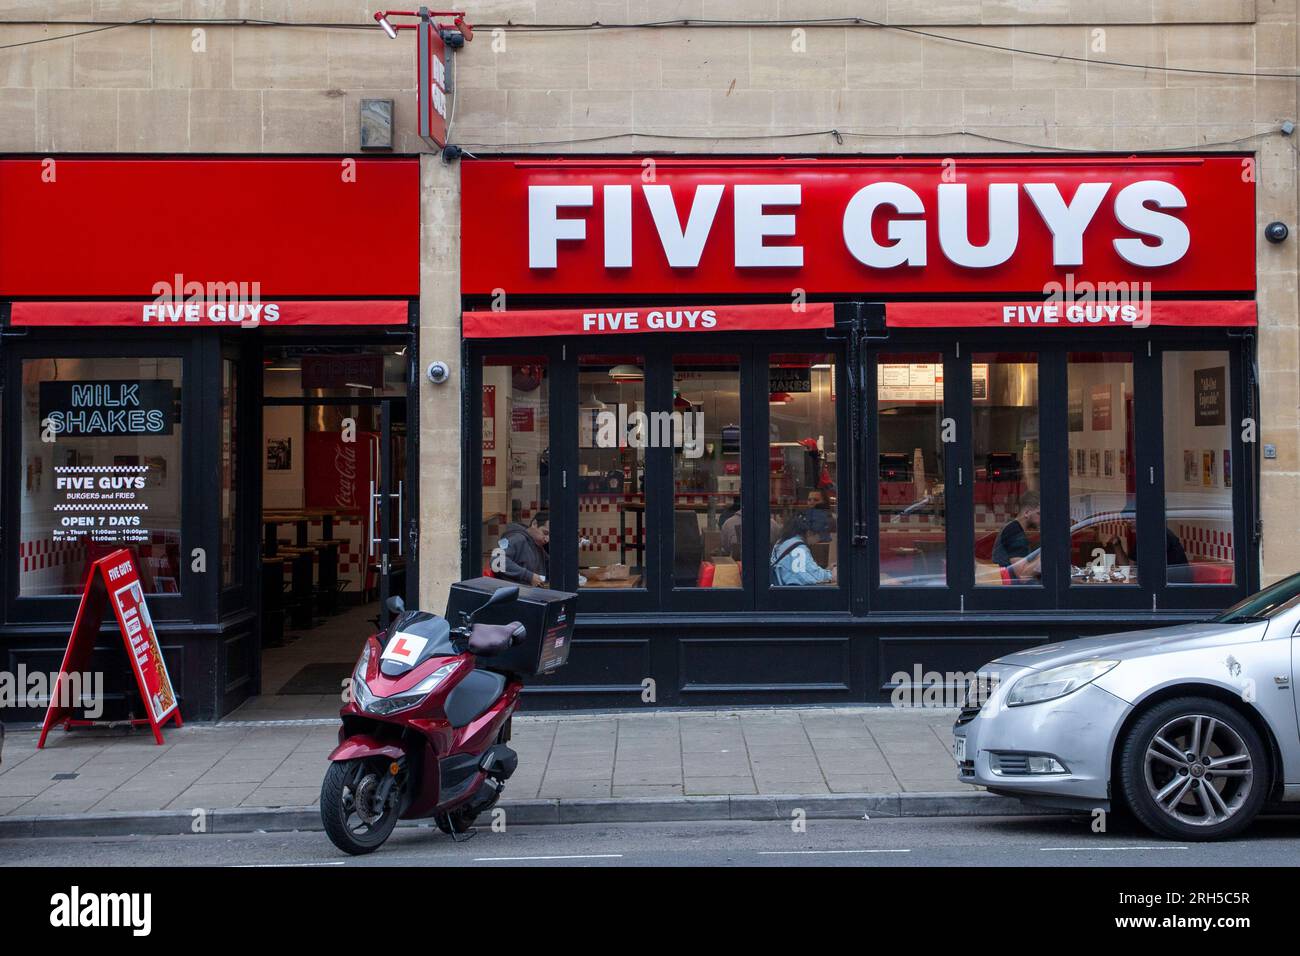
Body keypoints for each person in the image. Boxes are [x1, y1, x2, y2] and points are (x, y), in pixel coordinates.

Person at [770, 512, 834, 586]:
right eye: (820, 536)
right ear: (810, 533)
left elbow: (806, 571)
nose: (820, 540)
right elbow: (808, 579)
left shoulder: (787, 541)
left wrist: (826, 570)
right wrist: (832, 575)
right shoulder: (798, 549)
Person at [992, 491, 1041, 582]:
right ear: (1026, 513)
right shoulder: (1014, 532)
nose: (1042, 518)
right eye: (1039, 514)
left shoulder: (1013, 527)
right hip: (1012, 590)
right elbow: (1023, 575)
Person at [497, 511, 550, 586]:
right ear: (534, 524)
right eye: (545, 533)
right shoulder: (516, 538)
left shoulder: (538, 546)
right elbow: (497, 561)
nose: (547, 539)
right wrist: (529, 576)